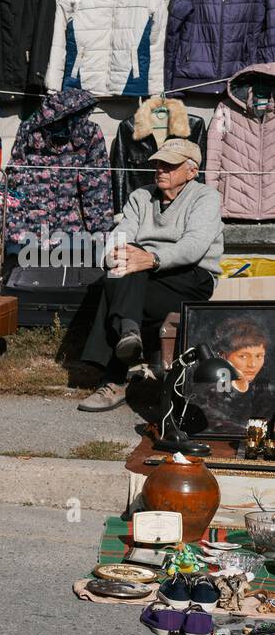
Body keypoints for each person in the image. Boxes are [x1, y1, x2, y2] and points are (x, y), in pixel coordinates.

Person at [79, 138, 223, 412]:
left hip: (191, 277)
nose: (160, 170)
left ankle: (115, 375)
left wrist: (152, 259)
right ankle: (129, 334)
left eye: (170, 165)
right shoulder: (141, 197)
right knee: (125, 263)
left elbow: (193, 247)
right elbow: (119, 238)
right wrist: (115, 257)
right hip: (145, 276)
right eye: (158, 164)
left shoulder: (206, 198)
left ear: (192, 172)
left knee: (126, 278)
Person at [194, 319, 275, 436]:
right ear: (223, 355)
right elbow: (216, 424)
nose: (252, 364)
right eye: (243, 356)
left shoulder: (265, 389)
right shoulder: (209, 389)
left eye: (259, 356)